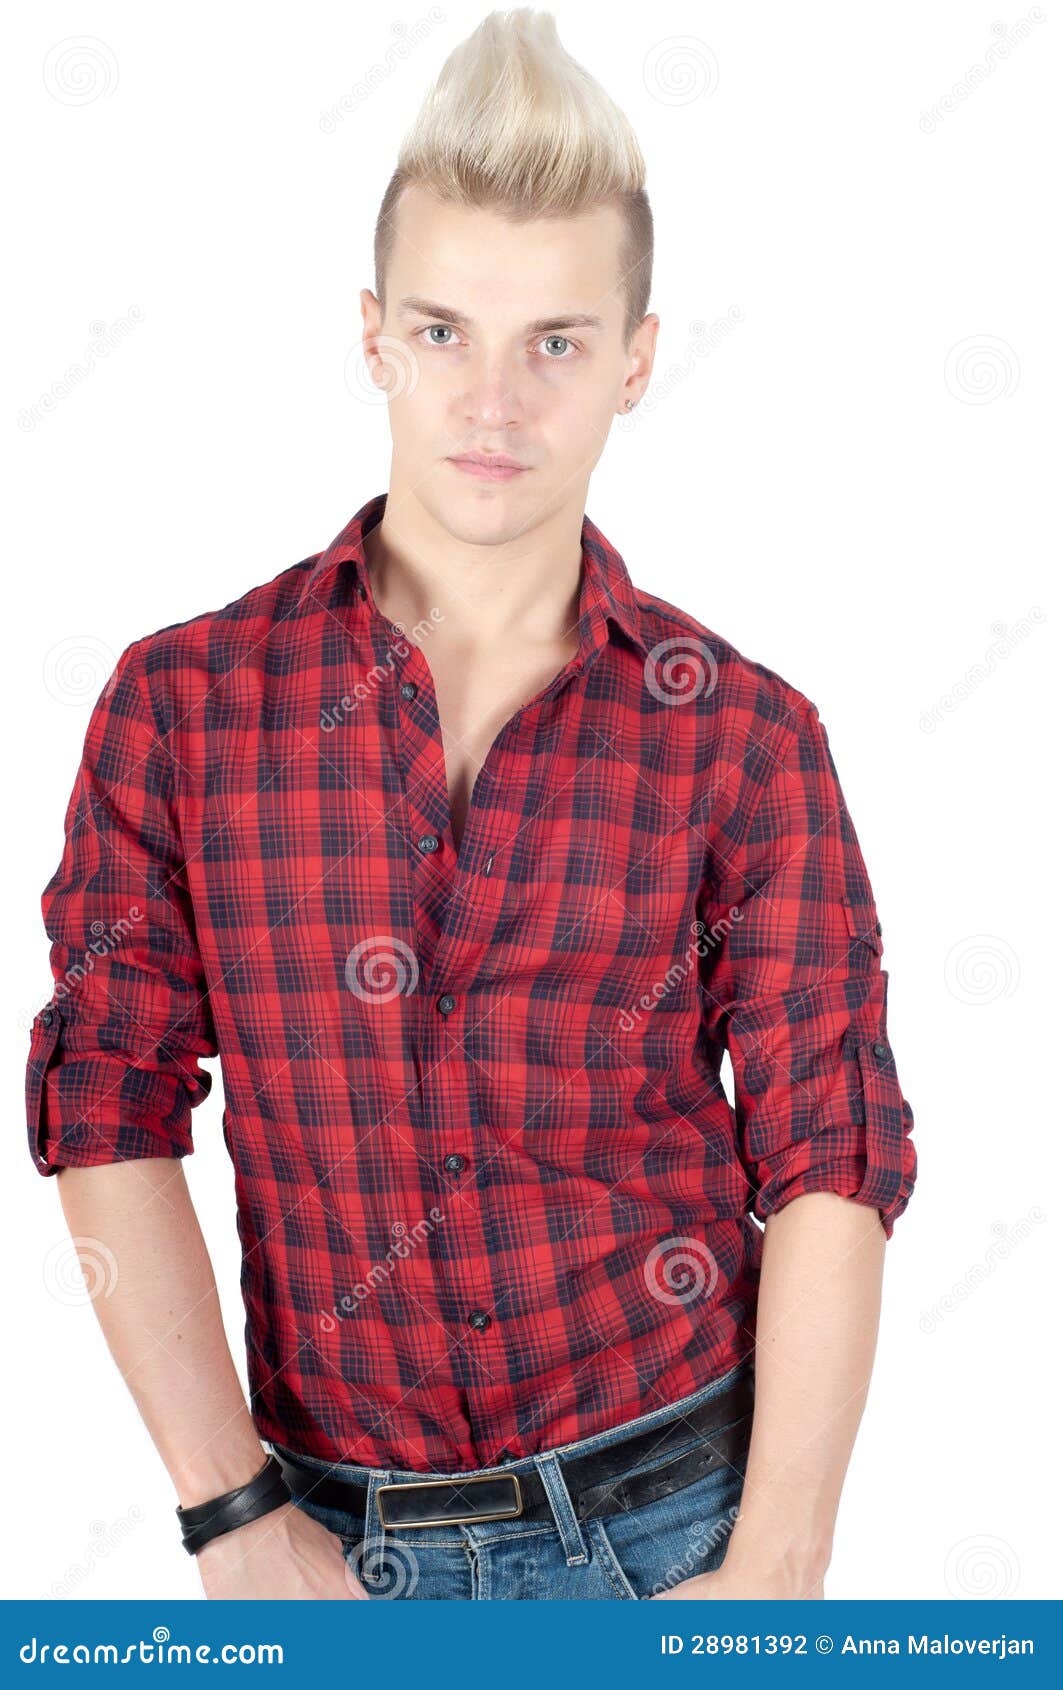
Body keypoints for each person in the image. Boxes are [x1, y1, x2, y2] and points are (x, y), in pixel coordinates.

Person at [24, 9, 916, 1602]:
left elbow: (830, 1160)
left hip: (679, 1516)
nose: (493, 401)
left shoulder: (748, 741)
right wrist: (231, 1514)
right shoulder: (181, 707)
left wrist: (777, 1560)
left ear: (637, 359)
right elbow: (109, 1104)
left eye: (556, 343)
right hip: (320, 1540)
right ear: (372, 335)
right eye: (444, 333)